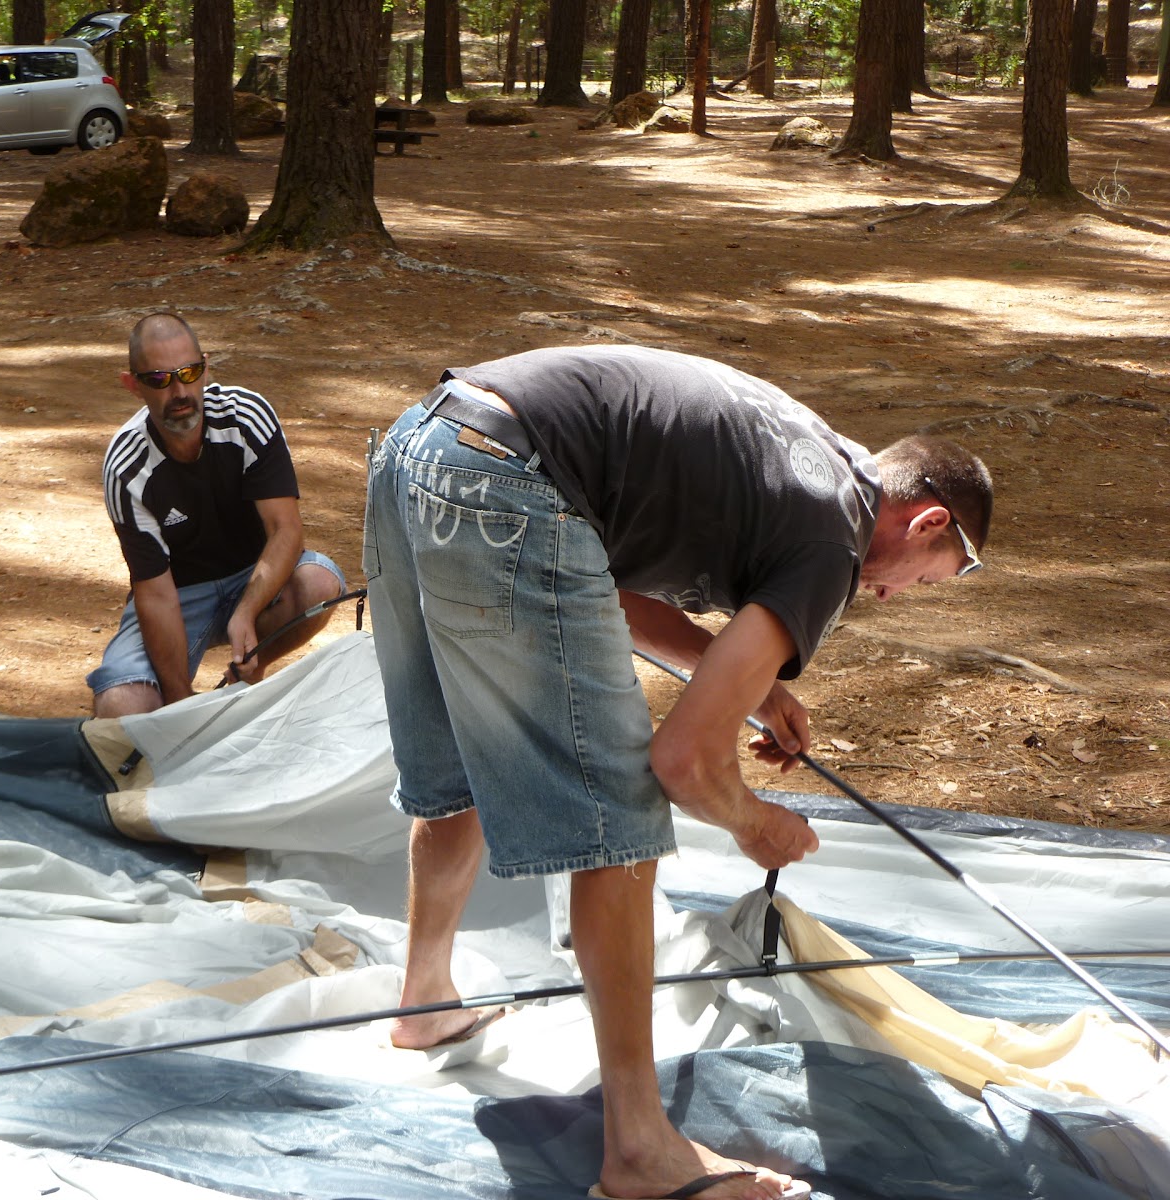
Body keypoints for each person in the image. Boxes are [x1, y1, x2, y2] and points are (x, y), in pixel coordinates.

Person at [363, 344, 992, 1200]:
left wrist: (746, 681)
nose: (894, 596)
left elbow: (590, 581)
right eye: (928, 579)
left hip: (423, 446)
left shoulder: (810, 468)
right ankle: (639, 1151)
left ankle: (425, 1001)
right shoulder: (832, 546)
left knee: (458, 770)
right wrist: (757, 823)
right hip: (509, 480)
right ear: (927, 523)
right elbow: (683, 761)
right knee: (619, 822)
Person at [89, 313, 346, 717]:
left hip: (252, 578)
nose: (179, 392)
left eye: (189, 373)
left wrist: (247, 611)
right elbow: (155, 592)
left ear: (206, 368)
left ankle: (248, 673)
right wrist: (179, 702)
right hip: (177, 594)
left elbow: (285, 530)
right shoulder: (127, 467)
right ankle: (186, 712)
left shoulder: (246, 417)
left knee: (319, 582)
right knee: (121, 704)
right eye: (159, 379)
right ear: (133, 385)